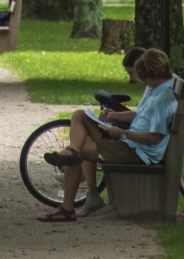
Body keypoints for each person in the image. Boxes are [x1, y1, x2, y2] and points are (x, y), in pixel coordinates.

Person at [38, 47, 176, 223]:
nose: (143, 81)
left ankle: (68, 207)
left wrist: (122, 133)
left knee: (76, 152)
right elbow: (140, 116)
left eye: (145, 76)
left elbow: (154, 138)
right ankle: (73, 161)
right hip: (130, 143)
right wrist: (115, 116)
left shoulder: (162, 98)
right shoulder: (156, 88)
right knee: (80, 117)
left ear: (153, 73)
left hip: (136, 151)